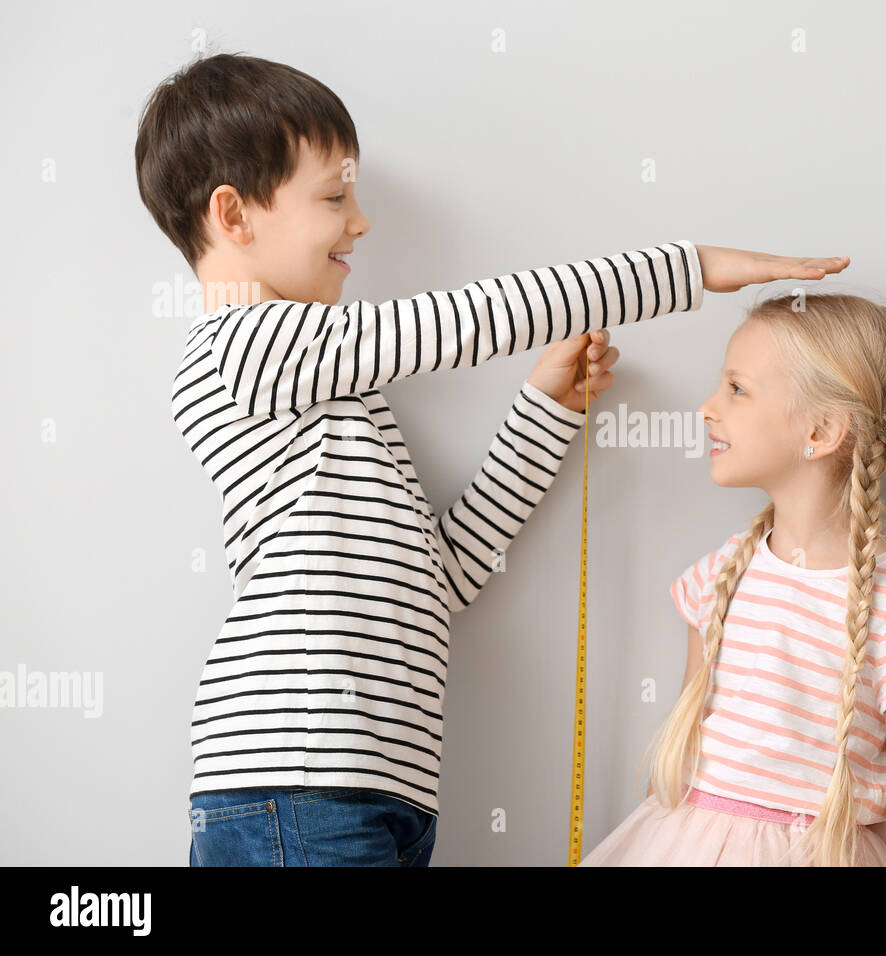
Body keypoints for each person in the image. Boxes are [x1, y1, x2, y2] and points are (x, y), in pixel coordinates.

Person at [135, 50, 850, 865]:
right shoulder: (243, 348)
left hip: (376, 788)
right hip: (295, 783)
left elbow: (445, 577)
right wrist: (689, 269)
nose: (360, 221)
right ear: (234, 217)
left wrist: (545, 409)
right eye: (334, 197)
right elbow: (466, 319)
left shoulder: (331, 393)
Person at [580, 292, 886, 866]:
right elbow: (685, 753)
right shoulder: (718, 577)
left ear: (821, 431)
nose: (708, 407)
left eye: (737, 388)